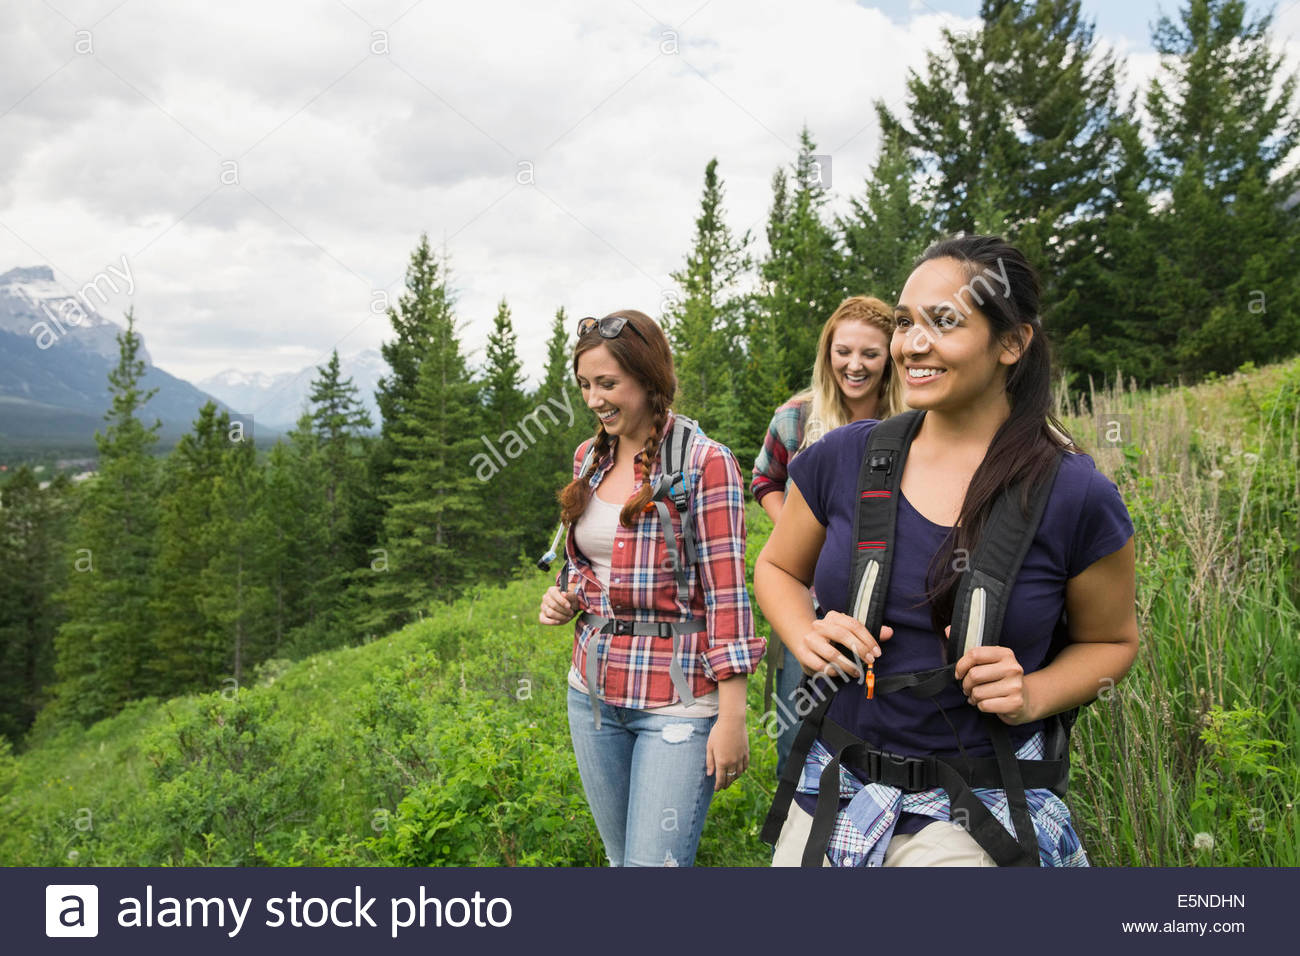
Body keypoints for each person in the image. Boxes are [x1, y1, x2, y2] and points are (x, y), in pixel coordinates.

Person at [754, 235, 1139, 866]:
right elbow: (776, 568)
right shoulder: (843, 457)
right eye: (906, 322)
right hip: (837, 792)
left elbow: (1113, 644)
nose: (912, 344)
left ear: (1012, 344)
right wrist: (804, 632)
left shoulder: (1075, 495)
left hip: (979, 806)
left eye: (945, 322)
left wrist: (1034, 695)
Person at [538, 309, 765, 867]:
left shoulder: (705, 463)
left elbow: (727, 592)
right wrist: (566, 595)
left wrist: (732, 716)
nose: (594, 399)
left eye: (608, 384)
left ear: (648, 378)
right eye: (585, 385)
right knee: (621, 865)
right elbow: (589, 564)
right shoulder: (589, 458)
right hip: (591, 694)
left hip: (678, 704)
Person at [750, 295, 903, 776]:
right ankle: (798, 825)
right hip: (811, 603)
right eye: (843, 351)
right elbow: (764, 480)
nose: (854, 365)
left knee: (881, 728)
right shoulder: (795, 417)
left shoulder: (912, 418)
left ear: (891, 357)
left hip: (891, 605)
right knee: (799, 728)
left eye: (870, 354)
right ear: (827, 352)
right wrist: (801, 534)